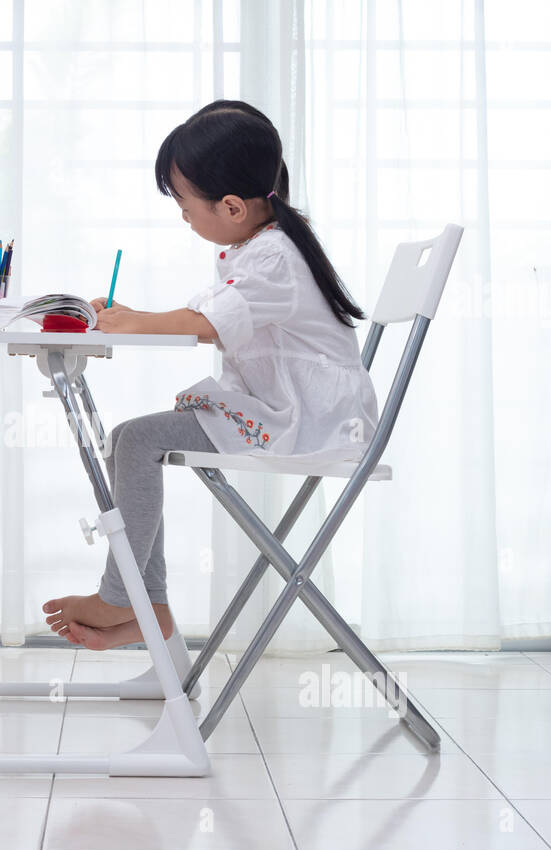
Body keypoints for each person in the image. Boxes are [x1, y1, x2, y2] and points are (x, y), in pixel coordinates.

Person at [43, 99, 380, 651]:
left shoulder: (272, 257)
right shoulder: (256, 250)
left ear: (230, 206)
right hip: (291, 411)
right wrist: (133, 317)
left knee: (140, 439)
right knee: (130, 438)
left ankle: (123, 596)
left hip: (310, 422)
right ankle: (144, 600)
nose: (183, 216)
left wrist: (135, 323)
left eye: (184, 204)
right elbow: (205, 317)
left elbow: (204, 325)